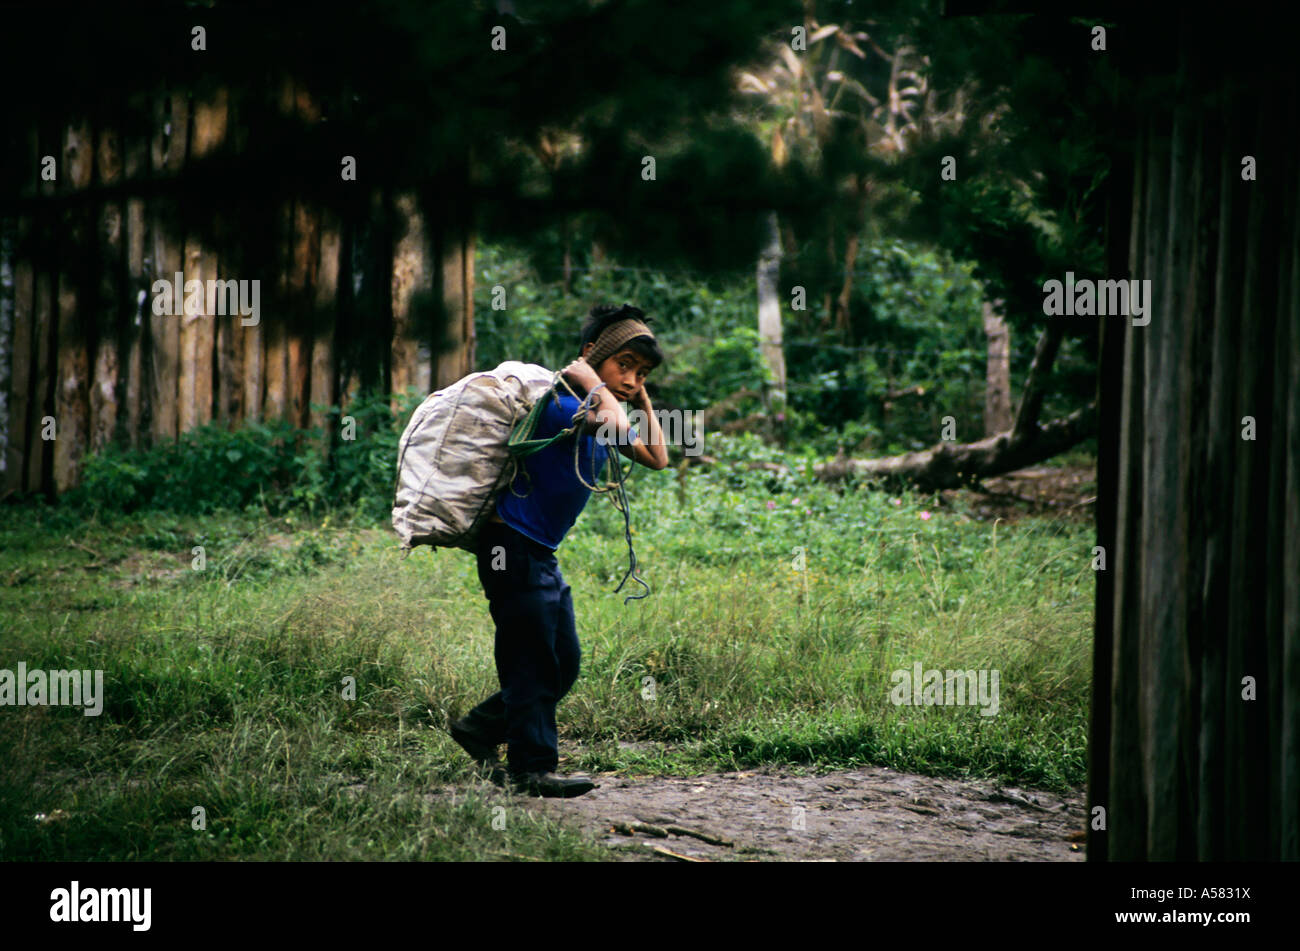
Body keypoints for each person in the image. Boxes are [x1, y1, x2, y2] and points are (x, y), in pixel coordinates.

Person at [448, 303, 669, 797]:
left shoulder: (599, 402)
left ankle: (479, 728)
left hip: (538, 553)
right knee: (532, 661)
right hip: (512, 547)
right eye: (624, 365)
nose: (631, 380)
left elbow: (657, 456)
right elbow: (609, 419)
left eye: (643, 372)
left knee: (563, 661)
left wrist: (638, 391)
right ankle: (533, 768)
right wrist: (594, 381)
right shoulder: (566, 406)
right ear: (592, 356)